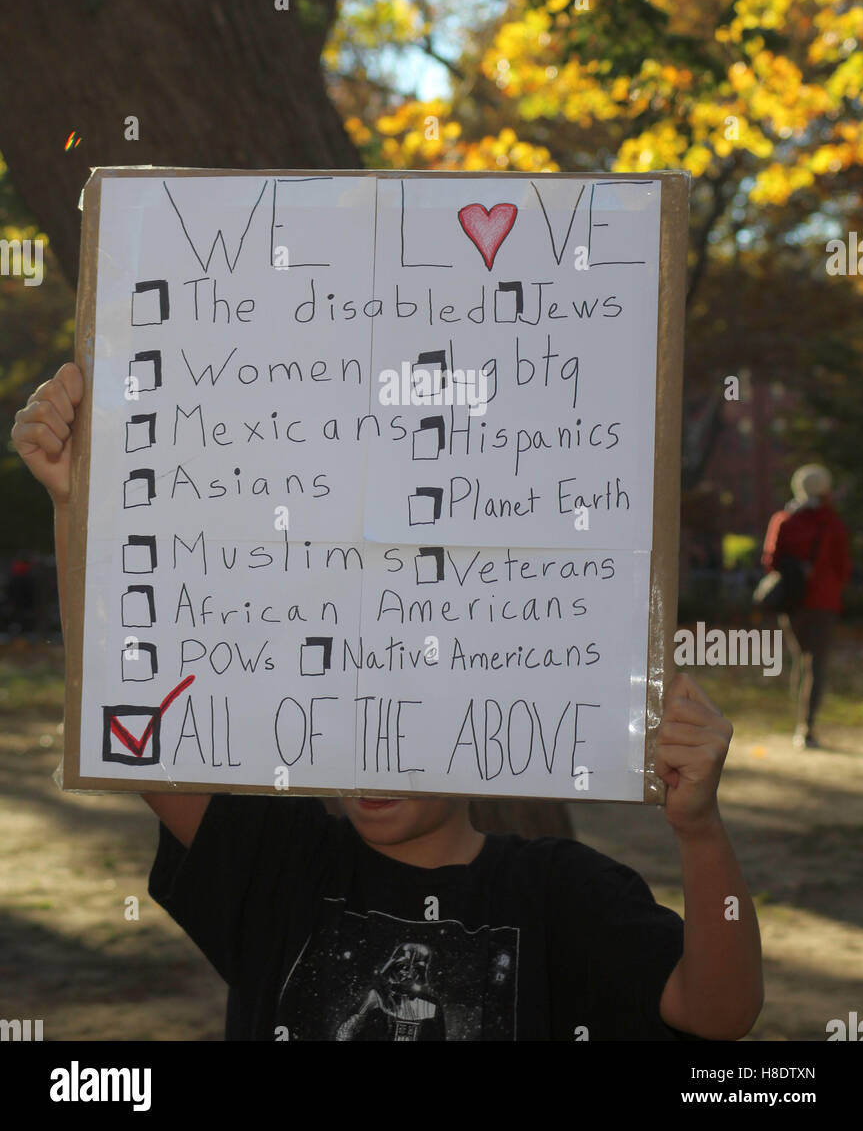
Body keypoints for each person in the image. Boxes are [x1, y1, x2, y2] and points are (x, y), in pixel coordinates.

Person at [13, 362, 764, 1042]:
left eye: (404, 724)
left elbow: (718, 1012)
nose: (372, 756)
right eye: (351, 716)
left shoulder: (561, 891)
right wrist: (81, 506)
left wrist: (700, 834)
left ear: (474, 725)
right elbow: (129, 715)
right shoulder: (279, 863)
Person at [761, 464, 851, 749]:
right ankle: (807, 726)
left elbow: (770, 560)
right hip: (823, 602)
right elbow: (843, 567)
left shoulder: (784, 520)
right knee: (816, 663)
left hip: (792, 602)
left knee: (800, 659)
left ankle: (798, 720)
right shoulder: (832, 523)